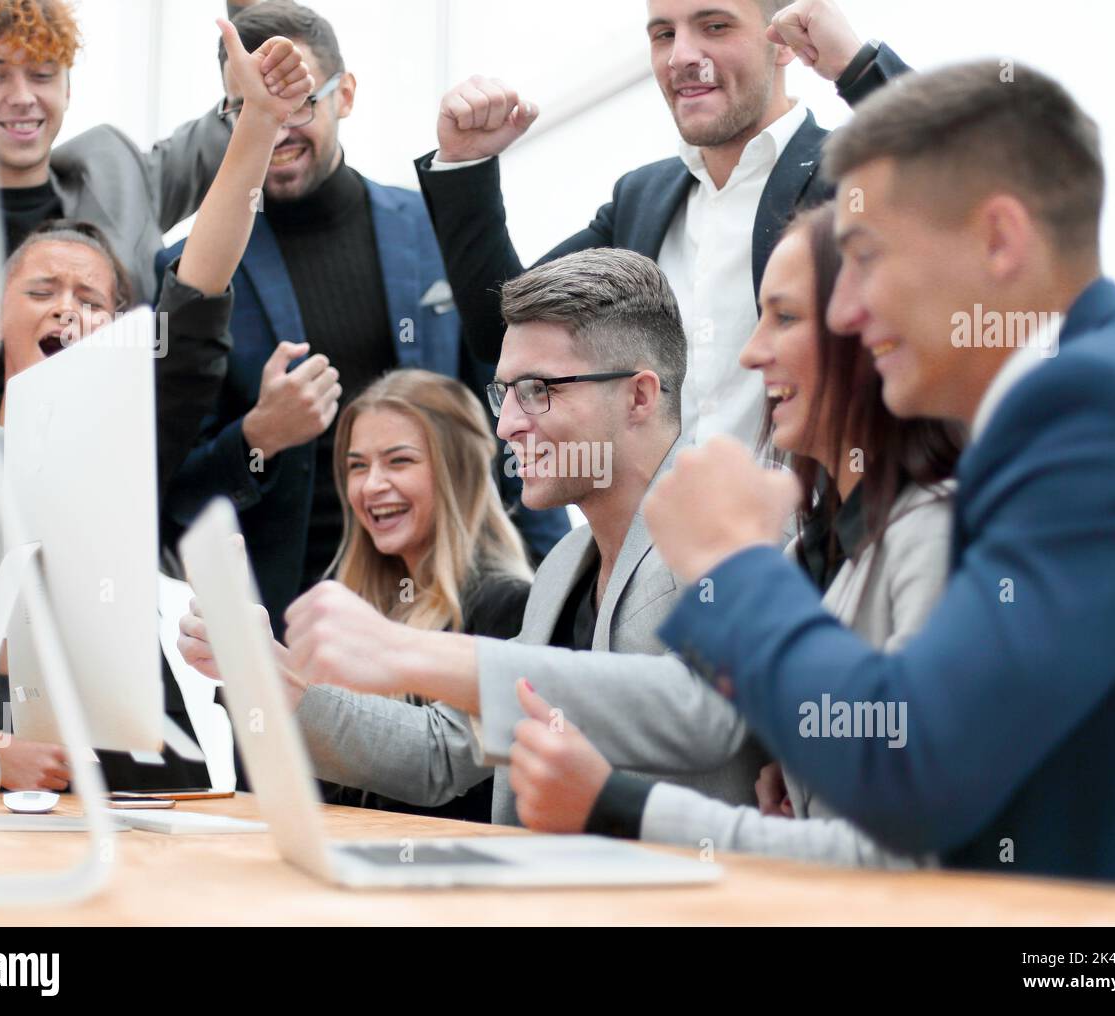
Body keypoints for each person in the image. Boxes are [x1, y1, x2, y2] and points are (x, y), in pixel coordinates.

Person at [642, 61, 1115, 888]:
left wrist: (735, 564)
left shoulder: (1099, 409)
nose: (844, 312)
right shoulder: (1075, 409)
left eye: (867, 258)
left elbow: (916, 761)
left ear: (1000, 241)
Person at [179, 249, 766, 825]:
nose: (508, 423)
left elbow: (698, 711)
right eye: (504, 392)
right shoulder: (563, 566)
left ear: (639, 395)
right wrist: (260, 670)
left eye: (538, 390)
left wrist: (407, 652)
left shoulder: (738, 528)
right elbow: (442, 755)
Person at [0, 21, 314, 794]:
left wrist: (258, 122)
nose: (69, 309)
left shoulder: (126, 442)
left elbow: (199, 285)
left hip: (118, 785)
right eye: (41, 291)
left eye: (92, 298)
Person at [504, 205, 964, 866]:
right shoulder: (827, 544)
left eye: (784, 317)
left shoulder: (935, 532)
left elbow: (907, 851)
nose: (752, 352)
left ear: (877, 331)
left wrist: (615, 803)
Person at [161, 1, 569, 639]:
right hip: (287, 628)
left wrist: (555, 588)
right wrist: (258, 438)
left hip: (461, 607)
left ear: (345, 94)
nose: (278, 129)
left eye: (298, 101)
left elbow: (512, 404)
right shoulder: (193, 277)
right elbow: (170, 494)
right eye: (248, 109)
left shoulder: (436, 228)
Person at [415, 0, 907, 449]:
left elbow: (972, 187)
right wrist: (467, 164)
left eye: (714, 26)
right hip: (664, 540)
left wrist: (860, 66)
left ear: (785, 45)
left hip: (818, 536)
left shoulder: (851, 175)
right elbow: (504, 329)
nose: (682, 56)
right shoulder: (641, 200)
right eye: (663, 35)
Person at [181, 368, 535, 820]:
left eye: (399, 461)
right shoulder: (347, 611)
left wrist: (266, 671)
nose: (371, 486)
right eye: (357, 466)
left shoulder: (511, 609)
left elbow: (439, 778)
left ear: (460, 470)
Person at [0, 0, 235, 303]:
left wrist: (250, 37)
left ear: (67, 90)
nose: (23, 97)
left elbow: (234, 124)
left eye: (42, 74)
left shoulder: (115, 179)